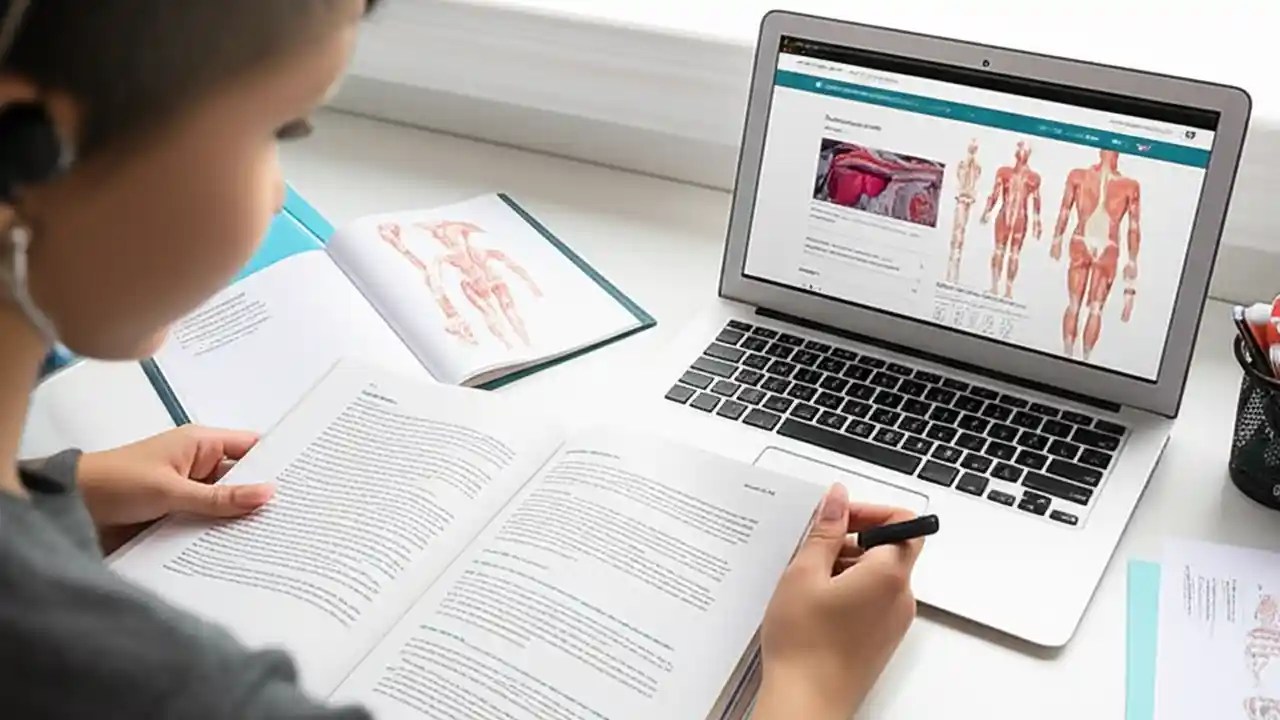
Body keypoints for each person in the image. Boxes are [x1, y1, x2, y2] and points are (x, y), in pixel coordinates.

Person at [0, 1, 925, 718]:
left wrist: (61, 489)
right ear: (28, 146)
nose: (279, 190)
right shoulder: (152, 689)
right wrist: (809, 685)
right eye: (272, 132)